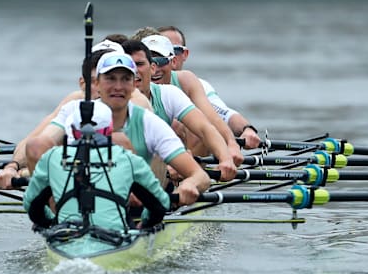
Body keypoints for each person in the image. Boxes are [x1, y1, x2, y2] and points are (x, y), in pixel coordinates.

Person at [23, 52, 212, 205]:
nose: (118, 87)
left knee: (118, 142)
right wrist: (13, 167)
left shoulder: (148, 121)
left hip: (134, 206)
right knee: (36, 146)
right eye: (111, 79)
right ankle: (54, 218)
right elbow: (41, 144)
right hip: (79, 198)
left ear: (133, 84)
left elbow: (200, 176)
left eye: (125, 79)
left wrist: (188, 186)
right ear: (96, 83)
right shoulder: (75, 111)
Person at [22, 100, 170, 233]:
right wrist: (145, 224)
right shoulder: (128, 159)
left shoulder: (51, 158)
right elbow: (160, 205)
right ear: (110, 129)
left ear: (73, 130)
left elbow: (32, 206)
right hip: (115, 240)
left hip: (66, 238)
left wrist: (51, 223)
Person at [119, 38, 238, 182]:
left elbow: (205, 128)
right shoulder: (107, 103)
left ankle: (184, 183)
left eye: (140, 64)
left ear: (152, 68)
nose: (135, 70)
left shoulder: (168, 94)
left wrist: (225, 158)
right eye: (129, 65)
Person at [137, 33, 254, 155]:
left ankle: (189, 168)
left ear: (173, 61)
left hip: (182, 152)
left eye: (161, 60)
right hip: (147, 150)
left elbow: (214, 116)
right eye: (149, 62)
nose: (155, 69)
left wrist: (232, 142)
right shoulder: (129, 87)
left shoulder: (188, 81)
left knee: (193, 124)